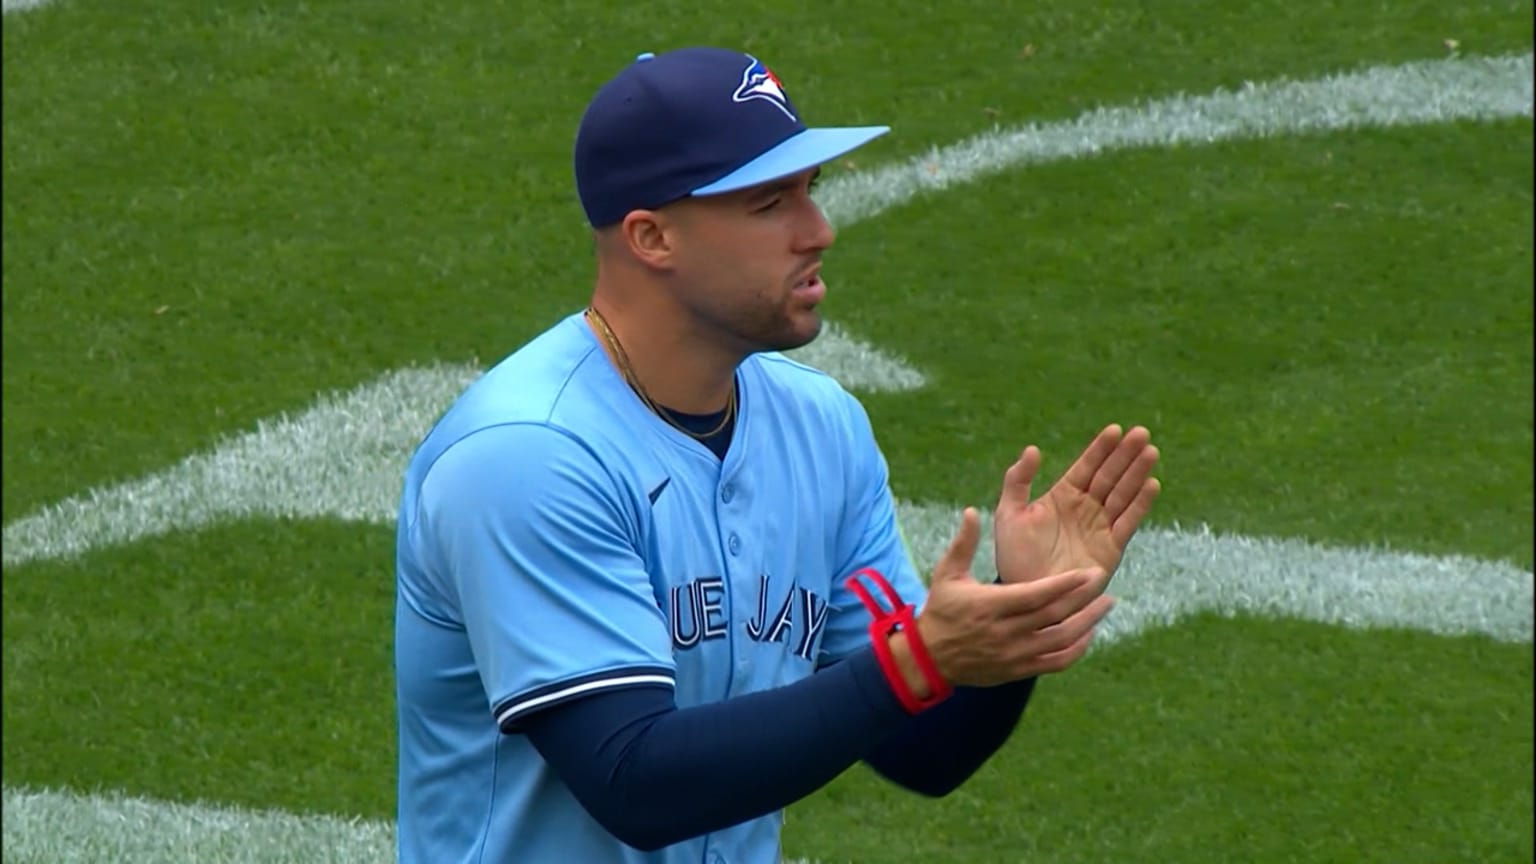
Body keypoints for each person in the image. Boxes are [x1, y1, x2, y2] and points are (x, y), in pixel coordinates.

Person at [393, 45, 1161, 864]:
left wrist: (1018, 611)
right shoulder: (527, 457)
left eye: (811, 192)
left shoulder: (819, 428)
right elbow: (633, 781)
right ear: (651, 237)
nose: (819, 231)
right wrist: (920, 661)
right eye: (769, 203)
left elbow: (924, 750)